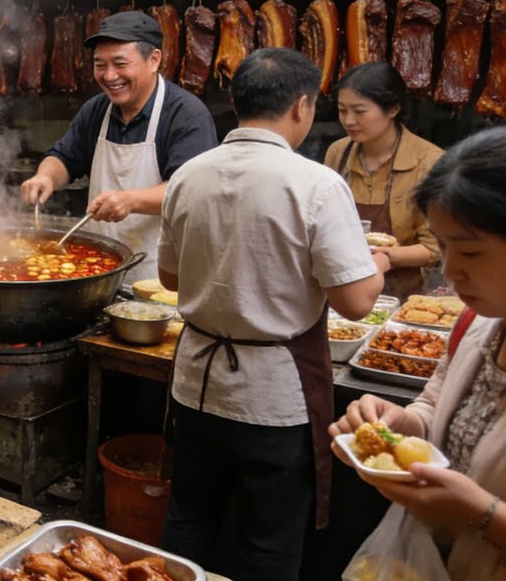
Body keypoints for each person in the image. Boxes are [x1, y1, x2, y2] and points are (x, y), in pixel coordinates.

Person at [157, 48, 389, 581]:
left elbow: (170, 280)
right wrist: (375, 263)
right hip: (273, 400)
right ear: (302, 106)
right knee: (269, 541)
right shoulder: (316, 184)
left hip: (195, 387)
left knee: (188, 520)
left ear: (236, 100)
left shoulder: (189, 174)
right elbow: (356, 302)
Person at [330, 127, 506, 580]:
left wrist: (482, 512)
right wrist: (402, 425)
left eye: (469, 251)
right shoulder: (476, 325)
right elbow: (434, 405)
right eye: (442, 247)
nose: (449, 270)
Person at [19, 11, 217, 283]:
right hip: (102, 270)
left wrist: (129, 201)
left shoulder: (186, 115)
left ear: (154, 60)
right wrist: (46, 177)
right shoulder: (97, 109)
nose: (109, 75)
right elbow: (64, 157)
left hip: (163, 279)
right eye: (100, 65)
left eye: (120, 64)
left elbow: (190, 191)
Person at [324, 62, 444, 298]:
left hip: (406, 296)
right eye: (342, 110)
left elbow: (435, 248)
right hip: (345, 290)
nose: (348, 120)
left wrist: (382, 257)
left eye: (359, 111)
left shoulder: (429, 162)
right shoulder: (337, 153)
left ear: (392, 109)